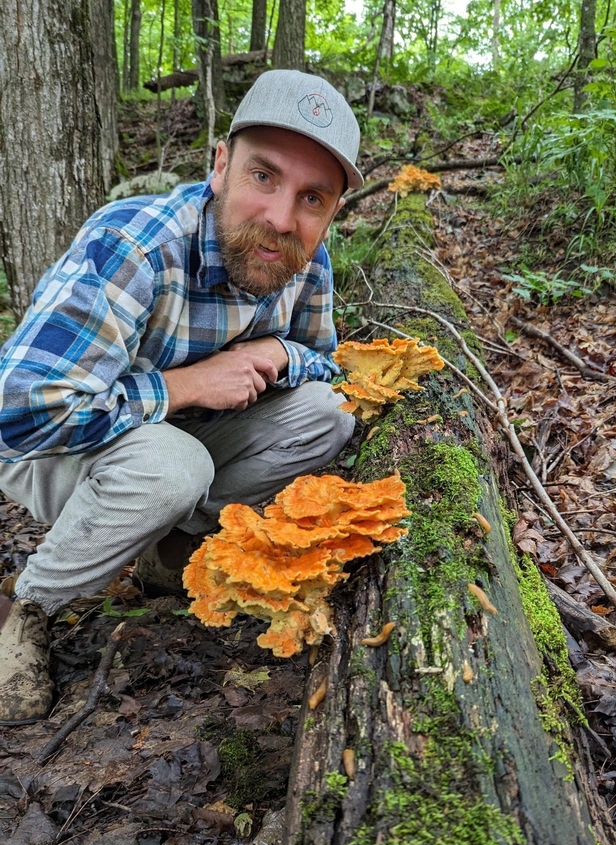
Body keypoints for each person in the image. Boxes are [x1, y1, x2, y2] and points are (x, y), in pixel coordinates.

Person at [0, 70, 364, 725]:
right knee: (173, 465)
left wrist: (278, 355)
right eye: (264, 176)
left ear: (332, 211)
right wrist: (186, 385)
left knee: (328, 415)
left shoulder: (306, 260)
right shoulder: (136, 242)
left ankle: (172, 555)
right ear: (220, 165)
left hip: (182, 442)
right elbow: (23, 413)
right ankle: (26, 605)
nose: (281, 218)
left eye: (313, 198)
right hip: (61, 454)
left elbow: (327, 366)